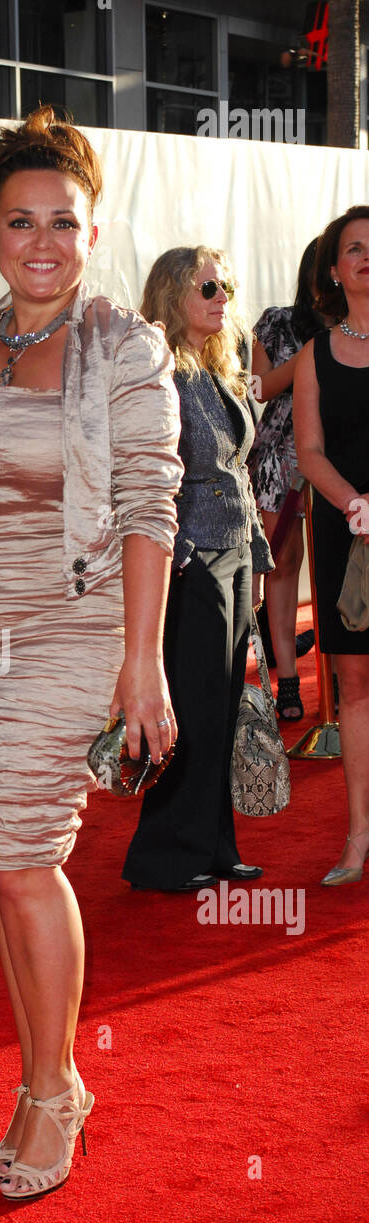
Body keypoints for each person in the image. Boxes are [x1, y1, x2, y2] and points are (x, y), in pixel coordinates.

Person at [0, 107, 183, 1201]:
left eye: (62, 222)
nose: (40, 241)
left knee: (24, 854)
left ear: (91, 232)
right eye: (17, 221)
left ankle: (53, 1089)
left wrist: (141, 662)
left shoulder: (119, 343)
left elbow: (148, 505)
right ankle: (45, 1074)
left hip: (69, 628)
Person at [122, 247, 273, 893]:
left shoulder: (216, 371)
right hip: (190, 565)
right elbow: (145, 479)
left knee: (220, 711)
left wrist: (259, 558)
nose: (222, 297)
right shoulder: (159, 374)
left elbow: (235, 472)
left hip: (233, 559)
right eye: (208, 286)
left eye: (226, 287)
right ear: (173, 292)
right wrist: (181, 559)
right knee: (191, 709)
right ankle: (165, 856)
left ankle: (211, 847)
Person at [294, 205, 369, 885]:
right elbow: (307, 449)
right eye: (354, 247)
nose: (366, 256)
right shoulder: (315, 354)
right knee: (352, 684)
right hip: (345, 529)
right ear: (334, 268)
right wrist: (352, 503)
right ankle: (355, 838)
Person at [248, 240, 327, 719]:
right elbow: (259, 388)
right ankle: (290, 684)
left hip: (341, 461)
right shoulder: (277, 322)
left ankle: (340, 674)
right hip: (280, 456)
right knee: (282, 567)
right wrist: (318, 352)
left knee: (340, 567)